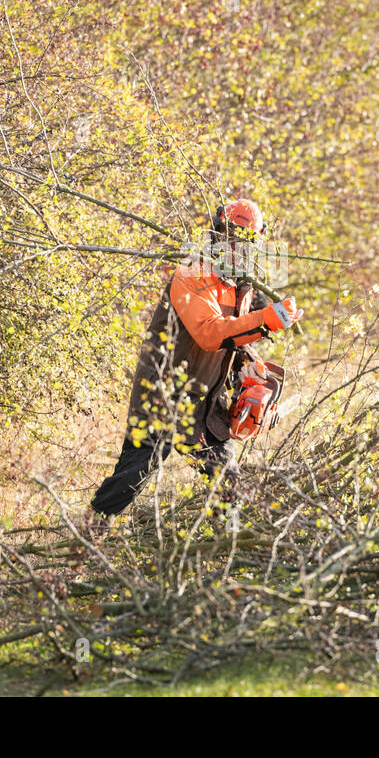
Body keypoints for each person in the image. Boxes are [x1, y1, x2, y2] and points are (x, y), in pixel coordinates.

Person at [85, 199, 303, 526]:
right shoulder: (191, 275)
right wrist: (268, 319)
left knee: (226, 488)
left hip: (202, 406)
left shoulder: (243, 289)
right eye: (231, 239)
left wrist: (249, 367)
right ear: (216, 236)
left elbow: (231, 340)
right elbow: (210, 333)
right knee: (135, 474)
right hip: (163, 396)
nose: (236, 249)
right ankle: (88, 534)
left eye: (245, 243)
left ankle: (225, 553)